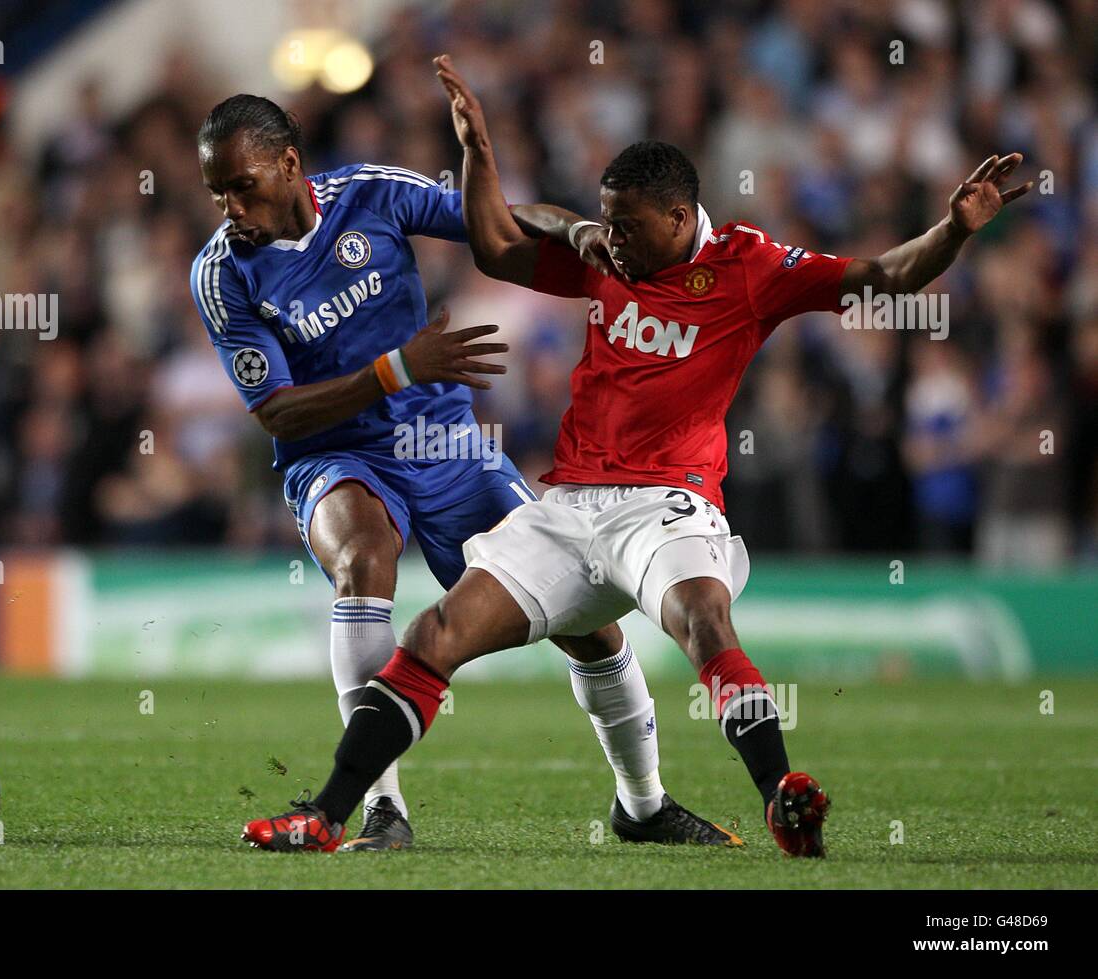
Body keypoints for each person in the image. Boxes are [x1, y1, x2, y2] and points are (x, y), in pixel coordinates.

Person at [242, 55, 1033, 857]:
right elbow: (498, 245)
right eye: (604, 220)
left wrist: (954, 230)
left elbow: (887, 275)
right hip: (569, 507)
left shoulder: (752, 269)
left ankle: (781, 797)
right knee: (433, 633)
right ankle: (331, 815)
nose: (612, 239)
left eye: (627, 225)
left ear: (681, 215)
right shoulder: (607, 256)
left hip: (667, 503)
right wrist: (482, 155)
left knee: (701, 618)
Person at [192, 94, 734, 852]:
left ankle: (642, 804)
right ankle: (382, 808)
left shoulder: (372, 195)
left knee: (590, 628)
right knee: (362, 558)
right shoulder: (222, 274)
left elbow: (500, 224)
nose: (230, 207)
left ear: (289, 164)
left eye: (242, 185)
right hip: (333, 452)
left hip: (442, 443)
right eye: (217, 190)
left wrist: (575, 226)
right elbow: (278, 412)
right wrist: (394, 369)